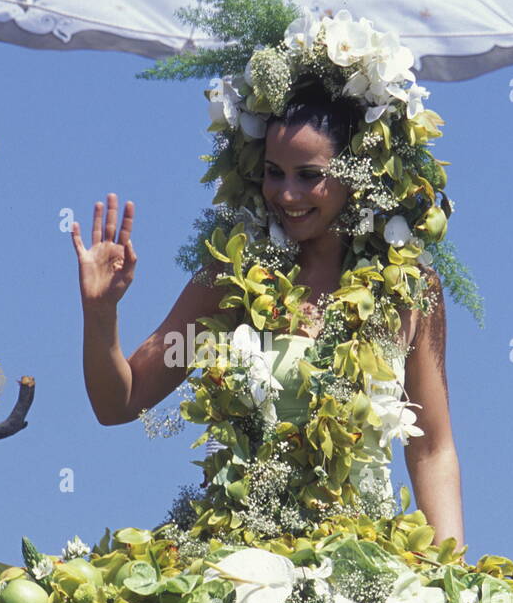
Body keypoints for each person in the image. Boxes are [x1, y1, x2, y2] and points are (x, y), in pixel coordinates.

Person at [71, 92, 465, 550]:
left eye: (309, 176)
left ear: (359, 174)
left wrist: (451, 575)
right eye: (274, 173)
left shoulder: (410, 288)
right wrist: (101, 312)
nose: (286, 194)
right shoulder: (232, 276)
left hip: (367, 556)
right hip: (242, 560)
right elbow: (119, 402)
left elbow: (432, 450)